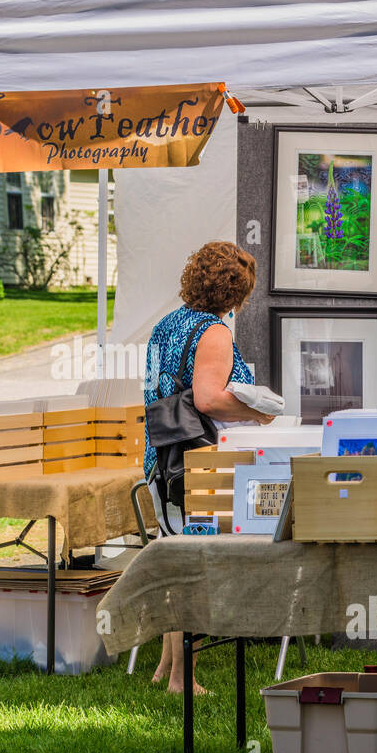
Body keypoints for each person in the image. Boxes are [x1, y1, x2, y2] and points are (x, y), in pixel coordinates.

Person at [143, 242, 273, 695]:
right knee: (194, 569)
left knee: (175, 558)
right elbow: (207, 398)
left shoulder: (169, 322)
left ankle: (164, 666)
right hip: (191, 463)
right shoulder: (213, 331)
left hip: (161, 460)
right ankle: (184, 679)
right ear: (237, 293)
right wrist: (259, 410)